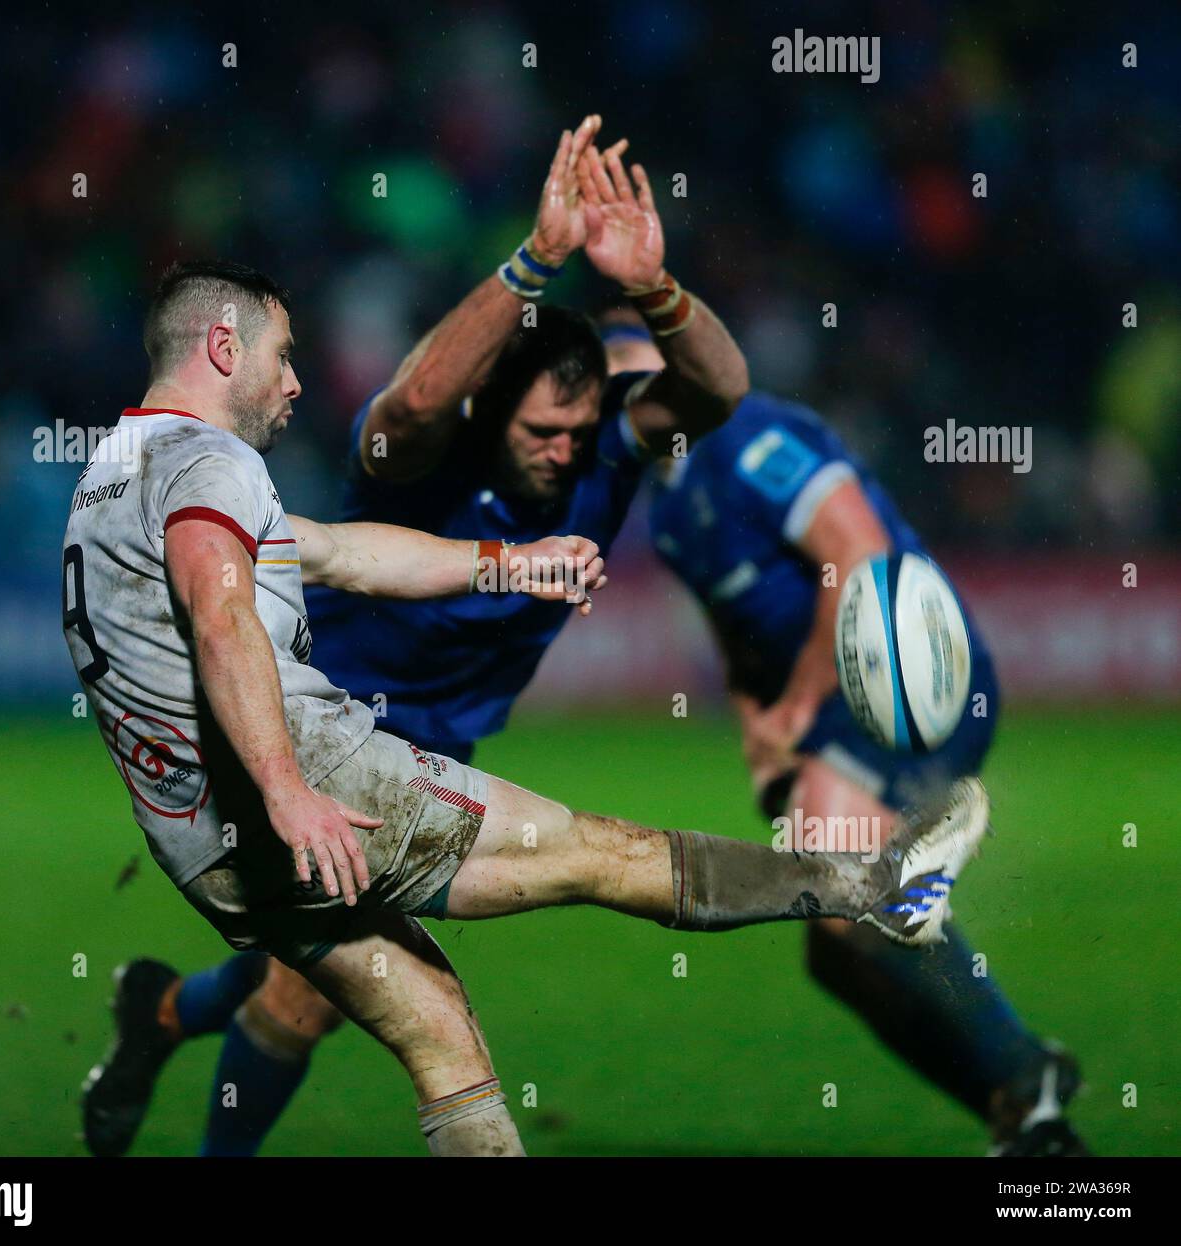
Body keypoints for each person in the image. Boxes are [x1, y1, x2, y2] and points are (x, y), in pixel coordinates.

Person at [66, 168, 988, 1160]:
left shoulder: (116, 468)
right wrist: (288, 789)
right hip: (311, 750)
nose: (296, 382)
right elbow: (228, 606)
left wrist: (647, 293)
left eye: (572, 432)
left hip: (248, 802)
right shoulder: (325, 456)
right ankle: (869, 884)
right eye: (282, 357)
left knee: (427, 1018)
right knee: (583, 860)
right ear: (222, 348)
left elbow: (338, 547)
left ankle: (157, 1012)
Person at [646, 377, 1089, 1156]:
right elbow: (734, 636)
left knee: (846, 904)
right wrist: (762, 734)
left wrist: (800, 712)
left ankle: (1023, 1080)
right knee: (837, 951)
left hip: (899, 687)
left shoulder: (756, 438)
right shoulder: (670, 504)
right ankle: (1024, 1103)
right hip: (831, 717)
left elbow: (861, 554)